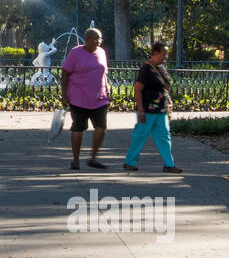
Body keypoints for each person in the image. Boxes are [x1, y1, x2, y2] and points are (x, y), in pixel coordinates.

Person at [124, 41, 182, 173]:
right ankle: (129, 162)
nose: (166, 56)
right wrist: (140, 110)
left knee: (164, 137)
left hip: (161, 110)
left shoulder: (161, 68)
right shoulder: (146, 69)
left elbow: (164, 88)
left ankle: (169, 164)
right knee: (140, 136)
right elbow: (137, 90)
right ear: (155, 53)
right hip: (147, 110)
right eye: (164, 54)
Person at [60, 27, 111, 170]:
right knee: (78, 127)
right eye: (95, 39)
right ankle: (75, 160)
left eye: (100, 39)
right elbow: (64, 75)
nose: (98, 42)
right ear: (87, 39)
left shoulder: (101, 53)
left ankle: (93, 158)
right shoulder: (75, 52)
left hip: (100, 98)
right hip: (79, 97)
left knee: (101, 128)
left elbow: (104, 74)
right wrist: (64, 95)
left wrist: (107, 91)